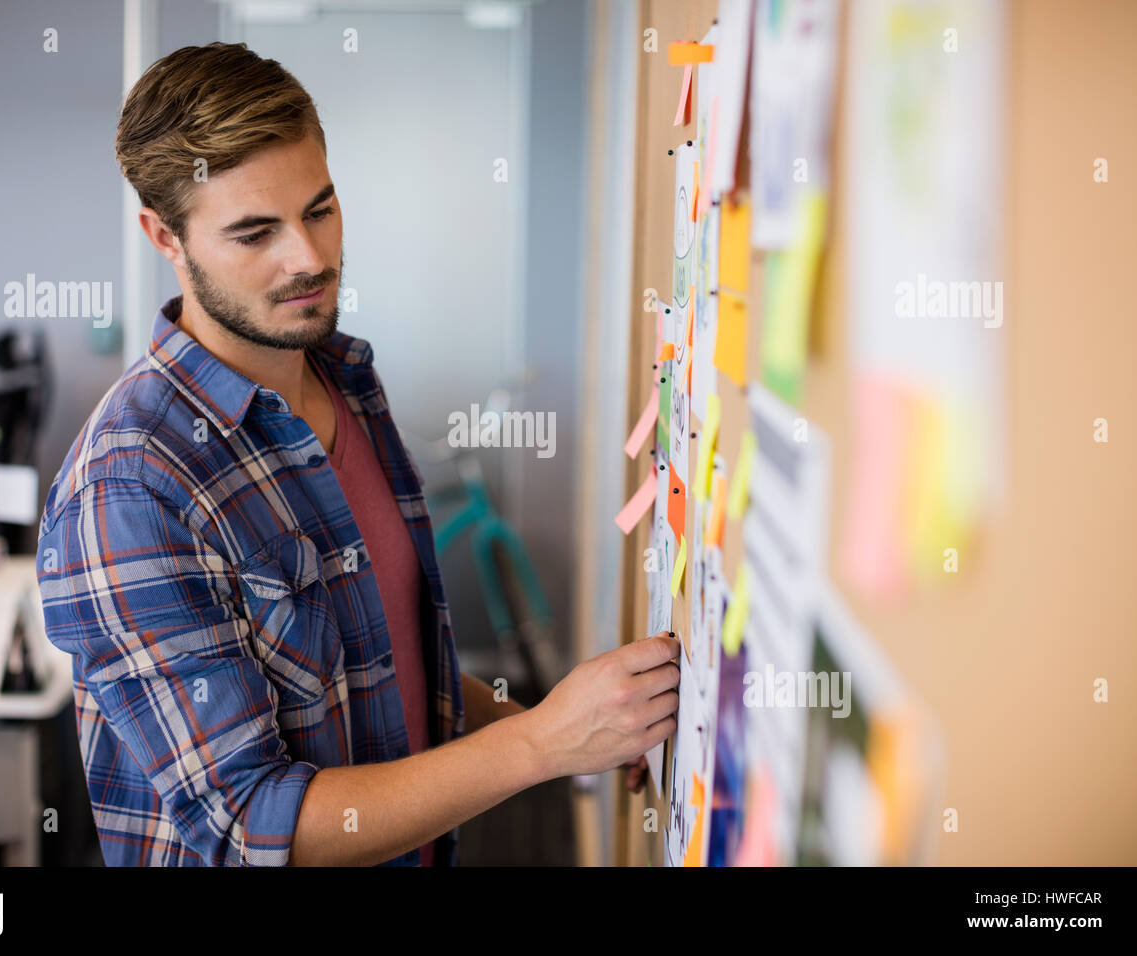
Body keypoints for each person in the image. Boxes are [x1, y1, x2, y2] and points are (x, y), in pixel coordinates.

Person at [35, 41, 678, 867]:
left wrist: (569, 726)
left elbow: (391, 670)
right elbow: (253, 828)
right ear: (165, 236)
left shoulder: (342, 379)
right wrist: (544, 746)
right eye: (255, 232)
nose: (308, 258)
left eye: (321, 208)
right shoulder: (131, 487)